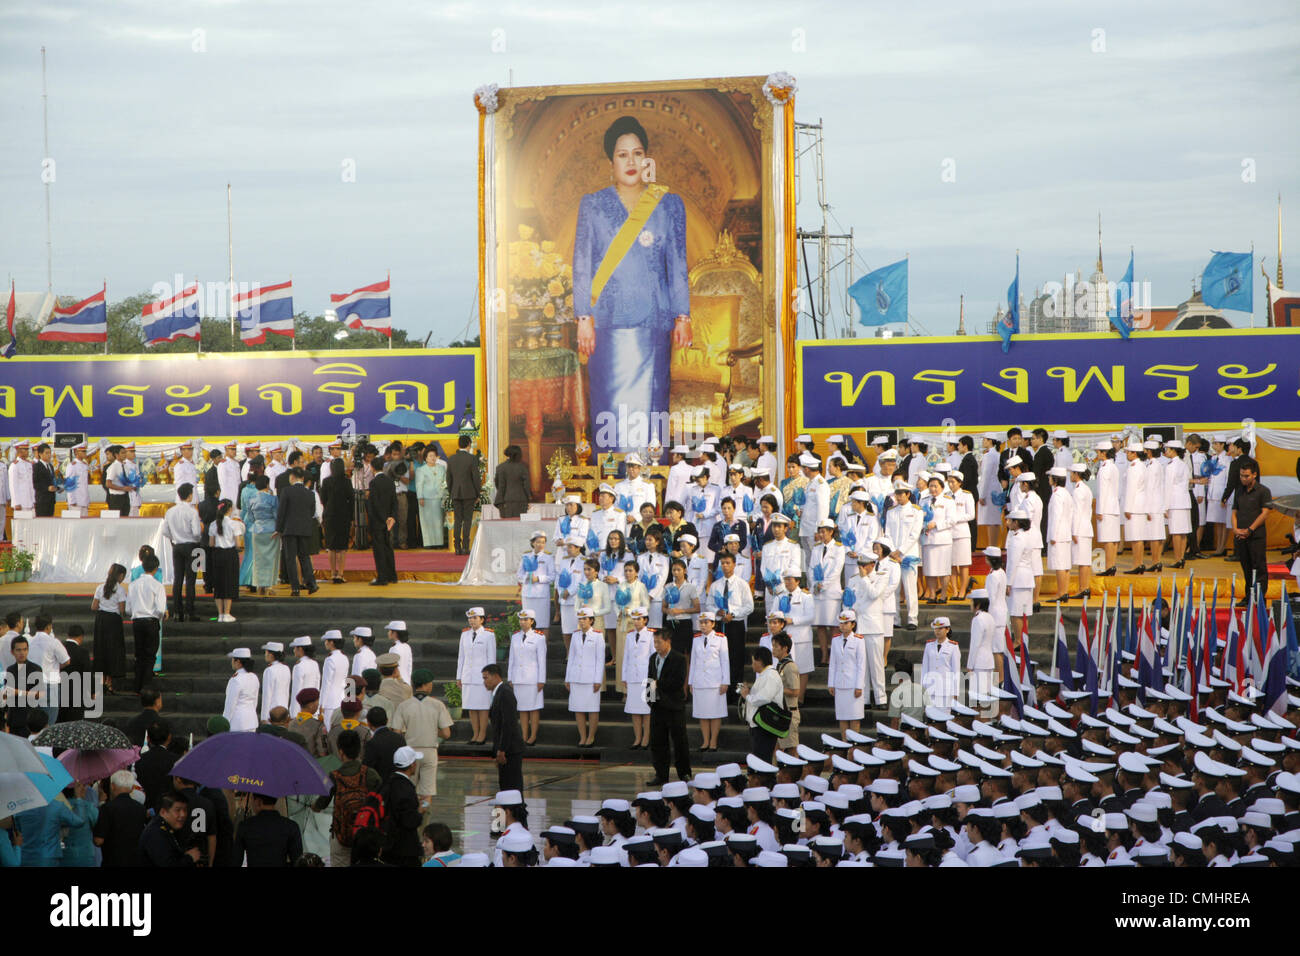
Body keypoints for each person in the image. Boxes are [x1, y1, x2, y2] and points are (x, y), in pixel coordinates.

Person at [572, 114, 691, 454]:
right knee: (610, 407)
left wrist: (683, 316)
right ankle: (609, 482)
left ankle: (651, 482)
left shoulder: (668, 204)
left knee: (652, 404)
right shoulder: (593, 204)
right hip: (606, 323)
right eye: (623, 154)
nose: (631, 161)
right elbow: (581, 264)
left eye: (637, 153)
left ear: (647, 159)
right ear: (611, 160)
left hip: (654, 321)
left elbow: (677, 263)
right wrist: (583, 317)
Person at [313, 729, 381, 868]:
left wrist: (315, 806)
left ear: (341, 752)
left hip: (341, 835)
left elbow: (321, 804)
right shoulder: (370, 774)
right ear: (359, 750)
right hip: (365, 836)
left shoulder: (335, 776)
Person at [391, 669, 454, 805]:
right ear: (426, 684)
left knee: (408, 788)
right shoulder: (437, 705)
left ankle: (410, 818)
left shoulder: (404, 705)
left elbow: (396, 732)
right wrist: (433, 730)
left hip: (409, 753)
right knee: (427, 792)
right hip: (430, 751)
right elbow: (446, 733)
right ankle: (424, 818)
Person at [647, 629, 691, 787]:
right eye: (654, 642)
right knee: (658, 742)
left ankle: (684, 772)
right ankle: (660, 774)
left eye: (659, 642)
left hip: (674, 706)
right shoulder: (653, 658)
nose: (656, 645)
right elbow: (650, 679)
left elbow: (677, 682)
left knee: (680, 741)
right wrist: (649, 699)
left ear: (667, 641)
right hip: (657, 707)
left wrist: (659, 684)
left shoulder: (678, 658)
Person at [125, 555, 166, 694]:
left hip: (137, 622)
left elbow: (127, 609)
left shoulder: (133, 585)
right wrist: (157, 616)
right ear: (156, 569)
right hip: (151, 622)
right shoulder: (157, 585)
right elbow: (160, 609)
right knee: (150, 656)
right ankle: (146, 687)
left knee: (139, 654)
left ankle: (137, 686)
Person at [688, 611, 728, 752]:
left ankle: (713, 741)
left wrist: (725, 682)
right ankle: (705, 741)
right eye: (701, 623)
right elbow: (693, 662)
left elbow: (725, 661)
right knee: (702, 713)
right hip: (700, 681)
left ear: (713, 623)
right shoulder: (696, 639)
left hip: (715, 681)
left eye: (706, 622)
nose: (703, 625)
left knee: (715, 713)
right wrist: (691, 682)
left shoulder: (721, 639)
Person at [1231, 461, 1272, 598]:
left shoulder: (1263, 491)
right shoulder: (1239, 490)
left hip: (1256, 536)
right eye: (1241, 476)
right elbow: (1234, 512)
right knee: (1246, 567)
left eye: (1246, 476)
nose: (1243, 478)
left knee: (1259, 567)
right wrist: (1236, 529)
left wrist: (1250, 529)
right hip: (1240, 535)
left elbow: (1265, 513)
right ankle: (1248, 596)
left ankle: (1259, 597)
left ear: (1254, 475)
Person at [162, 482, 203, 621]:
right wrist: (196, 538)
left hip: (177, 546)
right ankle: (190, 611)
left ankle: (177, 612)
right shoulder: (192, 511)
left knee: (178, 579)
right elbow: (197, 532)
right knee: (190, 579)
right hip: (192, 546)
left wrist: (174, 538)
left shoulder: (170, 511)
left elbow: (164, 531)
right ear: (190, 495)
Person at [565, 607, 605, 747]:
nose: (581, 621)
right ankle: (582, 737)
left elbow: (600, 660)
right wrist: (568, 678)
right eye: (580, 619)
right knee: (578, 708)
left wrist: (598, 680)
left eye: (584, 619)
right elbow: (571, 658)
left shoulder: (598, 636)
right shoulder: (575, 635)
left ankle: (591, 737)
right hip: (576, 676)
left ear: (591, 620)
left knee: (592, 708)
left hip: (590, 677)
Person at [277, 467, 320, 595]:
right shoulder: (310, 494)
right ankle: (311, 584)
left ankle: (295, 587)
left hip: (289, 529)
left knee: (290, 559)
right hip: (305, 529)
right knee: (304, 557)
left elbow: (281, 512)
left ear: (292, 477)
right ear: (303, 479)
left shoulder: (286, 491)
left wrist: (278, 529)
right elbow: (312, 512)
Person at [483, 663, 526, 793]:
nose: (484, 682)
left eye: (486, 678)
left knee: (512, 787)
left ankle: (516, 812)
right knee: (506, 786)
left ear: (496, 676)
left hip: (510, 750)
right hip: (505, 749)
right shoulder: (498, 693)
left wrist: (502, 750)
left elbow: (509, 724)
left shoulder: (505, 693)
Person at [506, 610, 547, 746]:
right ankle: (523, 736)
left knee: (534, 708)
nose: (523, 622)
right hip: (518, 677)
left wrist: (541, 679)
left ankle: (533, 736)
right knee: (522, 708)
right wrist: (510, 677)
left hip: (533, 678)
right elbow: (512, 658)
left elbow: (542, 660)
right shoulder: (515, 637)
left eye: (526, 620)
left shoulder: (539, 638)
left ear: (532, 621)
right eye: (521, 620)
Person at [378, 746, 424, 866]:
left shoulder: (388, 782)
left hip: (388, 846)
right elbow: (409, 821)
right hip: (404, 849)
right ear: (412, 764)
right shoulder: (406, 788)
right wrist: (419, 811)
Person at [93, 770, 148, 867]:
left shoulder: (108, 808)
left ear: (112, 786)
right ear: (131, 789)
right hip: (135, 861)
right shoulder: (141, 809)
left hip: (112, 860)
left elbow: (98, 840)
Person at [457, 607, 495, 744]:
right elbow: (461, 657)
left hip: (482, 678)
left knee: (483, 707)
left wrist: (490, 678)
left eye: (475, 618)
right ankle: (475, 734)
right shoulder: (465, 635)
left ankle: (482, 734)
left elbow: (491, 658)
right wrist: (459, 676)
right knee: (471, 706)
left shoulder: (489, 635)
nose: (471, 620)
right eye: (470, 618)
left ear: (482, 619)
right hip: (468, 675)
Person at [739, 646, 784, 763]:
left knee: (762, 760)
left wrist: (747, 695)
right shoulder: (764, 675)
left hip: (764, 725)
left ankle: (766, 781)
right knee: (758, 758)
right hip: (758, 724)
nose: (752, 664)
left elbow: (764, 698)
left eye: (753, 661)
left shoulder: (771, 675)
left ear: (760, 661)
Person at [234, 793, 303, 867]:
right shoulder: (291, 826)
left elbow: (235, 861)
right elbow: (298, 862)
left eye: (252, 799)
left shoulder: (245, 826)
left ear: (258, 802)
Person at [90, 563, 128, 695]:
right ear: (120, 575)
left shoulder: (100, 588)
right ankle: (109, 683)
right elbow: (122, 610)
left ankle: (101, 684)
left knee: (101, 649)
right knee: (113, 651)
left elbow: (94, 607)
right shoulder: (121, 590)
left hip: (101, 621)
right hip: (113, 622)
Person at [621, 607, 655, 750]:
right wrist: (624, 676)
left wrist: (653, 678)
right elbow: (626, 657)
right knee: (634, 709)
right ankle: (637, 738)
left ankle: (646, 738)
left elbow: (654, 658)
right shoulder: (629, 635)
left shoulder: (652, 635)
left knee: (647, 710)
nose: (635, 622)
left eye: (638, 619)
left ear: (645, 620)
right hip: (632, 675)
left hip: (647, 676)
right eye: (634, 619)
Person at [828, 610, 866, 733]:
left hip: (853, 684)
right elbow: (833, 663)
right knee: (842, 717)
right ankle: (845, 745)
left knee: (855, 718)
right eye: (841, 623)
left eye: (846, 623)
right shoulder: (835, 640)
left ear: (853, 624)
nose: (843, 626)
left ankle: (854, 748)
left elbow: (861, 665)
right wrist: (831, 683)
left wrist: (859, 686)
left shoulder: (859, 640)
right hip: (840, 684)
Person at [138, 792, 200, 867]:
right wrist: (189, 858)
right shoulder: (155, 833)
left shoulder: (164, 828)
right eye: (178, 810)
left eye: (185, 810)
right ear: (163, 812)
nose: (183, 814)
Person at [208, 499, 244, 623]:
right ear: (229, 510)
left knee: (218, 584)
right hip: (230, 555)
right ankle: (227, 613)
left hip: (217, 554)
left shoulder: (213, 524)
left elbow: (211, 543)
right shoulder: (234, 524)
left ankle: (220, 614)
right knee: (229, 582)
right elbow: (238, 544)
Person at [320, 458, 355, 583]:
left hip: (329, 515)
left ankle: (332, 573)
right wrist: (351, 517)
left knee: (331, 545)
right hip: (343, 516)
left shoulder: (326, 481)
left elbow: (323, 499)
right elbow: (351, 499)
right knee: (342, 546)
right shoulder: (347, 482)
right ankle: (340, 573)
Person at [447, 435, 481, 555]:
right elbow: (476, 478)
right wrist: (478, 493)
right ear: (468, 444)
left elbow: (448, 479)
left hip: (455, 493)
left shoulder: (451, 459)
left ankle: (457, 547)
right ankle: (466, 547)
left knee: (457, 520)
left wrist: (452, 492)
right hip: (469, 493)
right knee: (467, 520)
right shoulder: (472, 459)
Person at [367, 463, 399, 586]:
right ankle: (392, 576)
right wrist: (391, 517)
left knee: (379, 550)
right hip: (389, 521)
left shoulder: (373, 483)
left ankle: (382, 577)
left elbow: (374, 504)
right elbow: (394, 501)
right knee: (388, 548)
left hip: (377, 521)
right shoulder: (390, 481)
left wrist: (383, 518)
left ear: (373, 468)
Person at [921, 618, 962, 708]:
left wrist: (955, 692)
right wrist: (923, 688)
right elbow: (925, 668)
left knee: (945, 717)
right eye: (936, 628)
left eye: (940, 628)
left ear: (947, 629)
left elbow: (956, 671)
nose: (937, 631)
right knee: (930, 717)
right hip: (930, 689)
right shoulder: (929, 645)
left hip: (946, 690)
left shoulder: (953, 646)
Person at [415, 447, 447, 548]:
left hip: (439, 497)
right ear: (426, 458)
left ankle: (439, 542)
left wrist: (445, 496)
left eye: (434, 456)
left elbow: (445, 483)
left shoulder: (441, 468)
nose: (432, 458)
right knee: (427, 521)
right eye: (430, 456)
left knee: (438, 520)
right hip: (426, 498)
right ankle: (428, 543)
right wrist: (420, 497)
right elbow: (419, 484)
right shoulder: (421, 470)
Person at [58, 624, 91, 722]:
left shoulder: (60, 649)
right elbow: (87, 673)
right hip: (76, 694)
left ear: (68, 635)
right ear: (81, 637)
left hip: (59, 691)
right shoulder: (83, 652)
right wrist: (92, 691)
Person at [223, 648, 260, 732]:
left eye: (233, 660)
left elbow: (230, 705)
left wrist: (224, 723)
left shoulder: (236, 679)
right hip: (251, 721)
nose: (231, 662)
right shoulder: (254, 677)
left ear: (238, 662)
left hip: (237, 723)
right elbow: (255, 701)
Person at [493, 444, 531, 518]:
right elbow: (526, 485)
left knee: (505, 526)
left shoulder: (500, 467)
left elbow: (497, 483)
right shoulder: (522, 467)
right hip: (520, 501)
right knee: (519, 525)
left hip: (503, 501)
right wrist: (528, 499)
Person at [260, 642, 291, 723]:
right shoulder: (286, 668)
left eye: (266, 652)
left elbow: (267, 695)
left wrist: (264, 717)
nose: (265, 655)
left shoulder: (269, 670)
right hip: (283, 709)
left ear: (272, 655)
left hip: (272, 711)